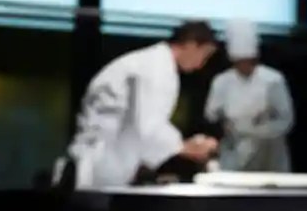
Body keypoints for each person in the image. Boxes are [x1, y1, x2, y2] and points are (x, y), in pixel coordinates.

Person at [67, 20, 219, 187]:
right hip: (102, 164)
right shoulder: (157, 68)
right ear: (191, 45)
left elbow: (138, 126)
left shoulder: (151, 62)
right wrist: (186, 147)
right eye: (204, 56)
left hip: (105, 160)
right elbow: (148, 126)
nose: (200, 65)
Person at [204, 19, 295, 172]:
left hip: (269, 151)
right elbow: (211, 115)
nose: (245, 66)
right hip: (235, 149)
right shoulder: (221, 81)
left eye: (248, 61)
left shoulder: (272, 79)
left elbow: (286, 119)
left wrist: (261, 127)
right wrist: (223, 123)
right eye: (240, 61)